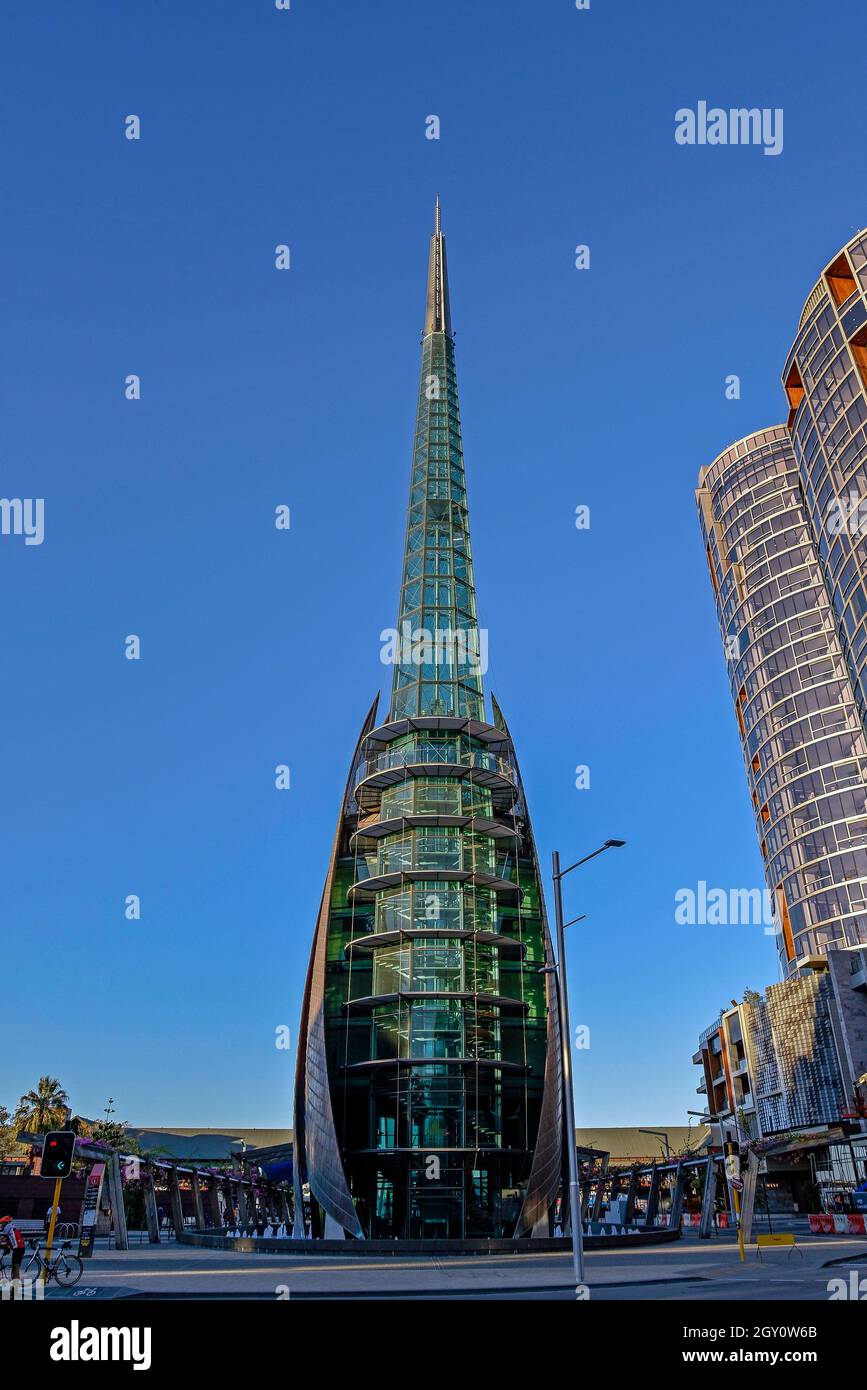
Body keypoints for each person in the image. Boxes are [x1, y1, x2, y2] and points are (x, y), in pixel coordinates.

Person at [0, 1216, 25, 1292]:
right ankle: (15, 1283)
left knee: (15, 1267)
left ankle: (16, 1286)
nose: (1, 1224)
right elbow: (8, 1238)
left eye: (2, 1223)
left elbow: (2, 1237)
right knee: (15, 1267)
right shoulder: (11, 1226)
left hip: (18, 1248)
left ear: (6, 1222)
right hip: (20, 1248)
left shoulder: (7, 1227)